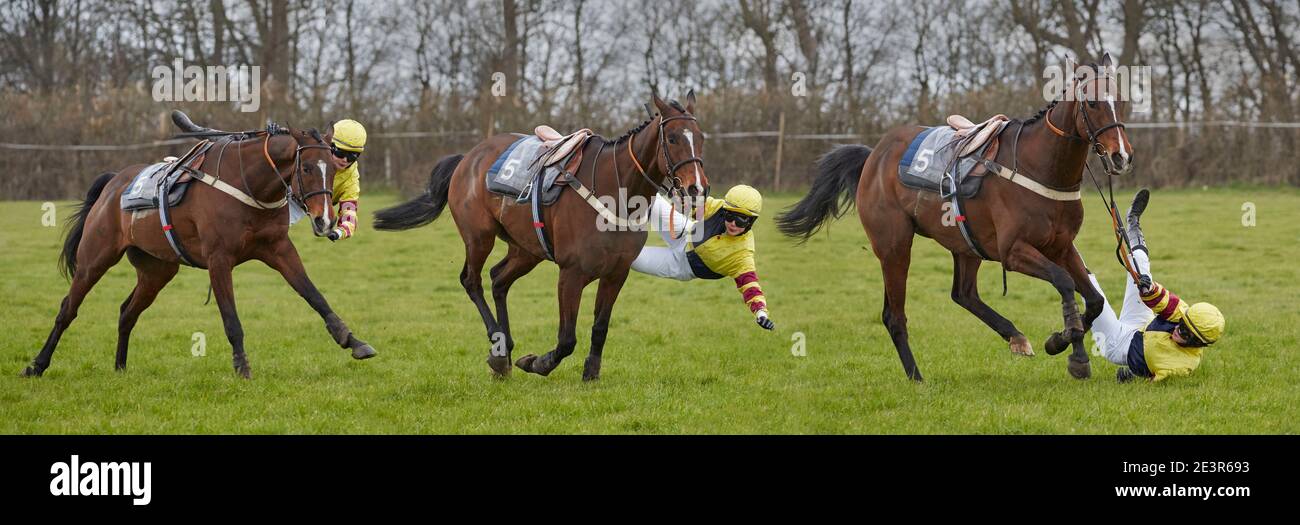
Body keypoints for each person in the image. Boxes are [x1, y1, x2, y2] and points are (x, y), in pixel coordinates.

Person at [1088, 189, 1226, 382]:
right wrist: (1149, 288)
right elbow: (1165, 302)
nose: (1178, 330)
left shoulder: (1184, 365)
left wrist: (1132, 376)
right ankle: (1133, 219)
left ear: (1199, 343)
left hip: (1117, 345)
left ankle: (1064, 257)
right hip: (1141, 327)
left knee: (1092, 290)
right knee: (1141, 263)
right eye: (1182, 324)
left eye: (1185, 333)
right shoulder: (1183, 315)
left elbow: (1155, 382)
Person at [630, 185, 774, 330]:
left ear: (751, 222)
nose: (733, 224)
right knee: (649, 198)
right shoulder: (718, 207)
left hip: (681, 265)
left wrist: (761, 313)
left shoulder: (743, 255)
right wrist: (679, 199)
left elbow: (750, 286)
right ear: (725, 210)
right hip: (686, 231)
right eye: (729, 216)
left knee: (629, 259)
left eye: (741, 220)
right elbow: (694, 206)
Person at [325, 119, 366, 241]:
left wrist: (340, 232)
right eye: (340, 153)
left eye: (352, 156)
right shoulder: (312, 150)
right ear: (330, 146)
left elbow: (349, 212)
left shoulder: (351, 179)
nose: (345, 160)